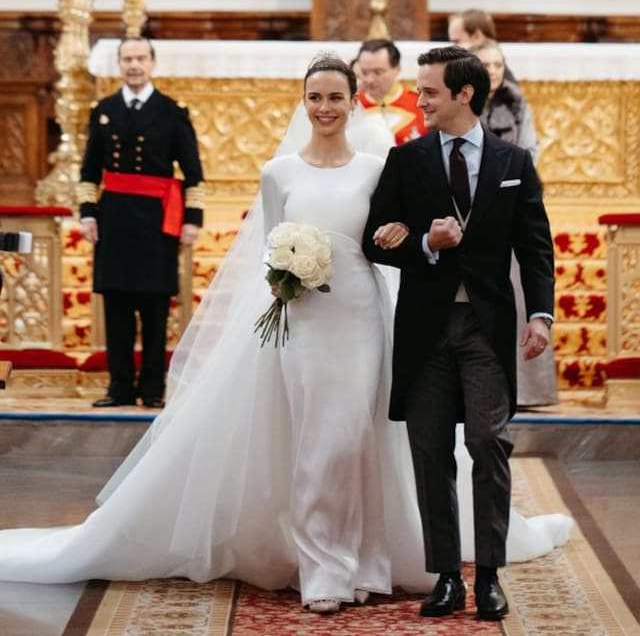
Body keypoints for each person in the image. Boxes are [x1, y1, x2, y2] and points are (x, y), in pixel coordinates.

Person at [0, 54, 570, 605]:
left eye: (336, 97)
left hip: (361, 319)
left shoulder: (379, 169)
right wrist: (285, 276)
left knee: (356, 439)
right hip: (304, 321)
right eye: (315, 97)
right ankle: (321, 565)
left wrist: (416, 240)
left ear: (354, 102)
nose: (325, 107)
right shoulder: (279, 173)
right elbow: (271, 246)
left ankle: (366, 559)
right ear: (303, 101)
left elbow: (388, 236)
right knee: (314, 443)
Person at [363, 45, 557, 620]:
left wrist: (540, 314)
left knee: (487, 444)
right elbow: (375, 237)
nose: (418, 99)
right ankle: (446, 576)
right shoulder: (406, 159)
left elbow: (536, 248)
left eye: (428, 91)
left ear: (464, 94)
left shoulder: (514, 162)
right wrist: (425, 242)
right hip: (425, 329)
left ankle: (489, 576)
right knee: (429, 451)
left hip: (486, 328)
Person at [79, 37, 205, 408]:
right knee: (116, 305)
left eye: (140, 58)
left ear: (152, 63)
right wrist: (87, 213)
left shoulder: (172, 111)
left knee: (154, 308)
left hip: (157, 222)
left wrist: (192, 220)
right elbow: (89, 171)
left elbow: (194, 173)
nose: (134, 65)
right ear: (119, 64)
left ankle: (152, 388)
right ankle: (119, 387)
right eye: (127, 59)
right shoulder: (103, 110)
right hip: (114, 219)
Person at [469, 40, 558, 406]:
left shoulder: (516, 102)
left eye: (497, 64)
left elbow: (527, 152)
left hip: (508, 206)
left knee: (520, 298)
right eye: (485, 65)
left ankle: (528, 389)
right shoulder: (462, 102)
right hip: (471, 210)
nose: (492, 71)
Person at [357, 38, 427, 144]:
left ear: (397, 68)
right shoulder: (353, 105)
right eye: (364, 72)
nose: (370, 80)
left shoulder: (419, 103)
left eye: (378, 72)